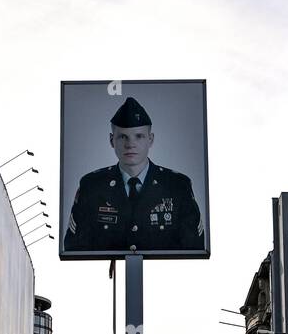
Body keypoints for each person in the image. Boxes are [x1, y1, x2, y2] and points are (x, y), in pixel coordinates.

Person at [62, 96, 205, 254]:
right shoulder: (92, 186)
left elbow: (194, 247)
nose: (130, 144)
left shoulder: (177, 186)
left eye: (139, 136)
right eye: (123, 136)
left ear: (150, 140)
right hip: (111, 274)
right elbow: (75, 248)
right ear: (111, 140)